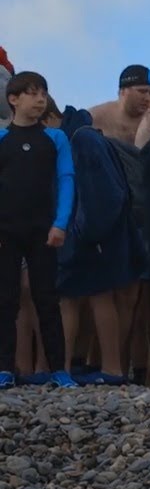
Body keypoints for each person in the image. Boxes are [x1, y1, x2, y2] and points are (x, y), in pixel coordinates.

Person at [0, 71, 77, 389]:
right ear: (13, 99)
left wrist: (60, 223)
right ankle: (5, 368)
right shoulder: (3, 139)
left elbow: (66, 180)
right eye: (32, 93)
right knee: (6, 300)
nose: (40, 98)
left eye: (43, 92)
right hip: (6, 231)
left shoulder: (55, 138)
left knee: (47, 298)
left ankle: (59, 368)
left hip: (44, 230)